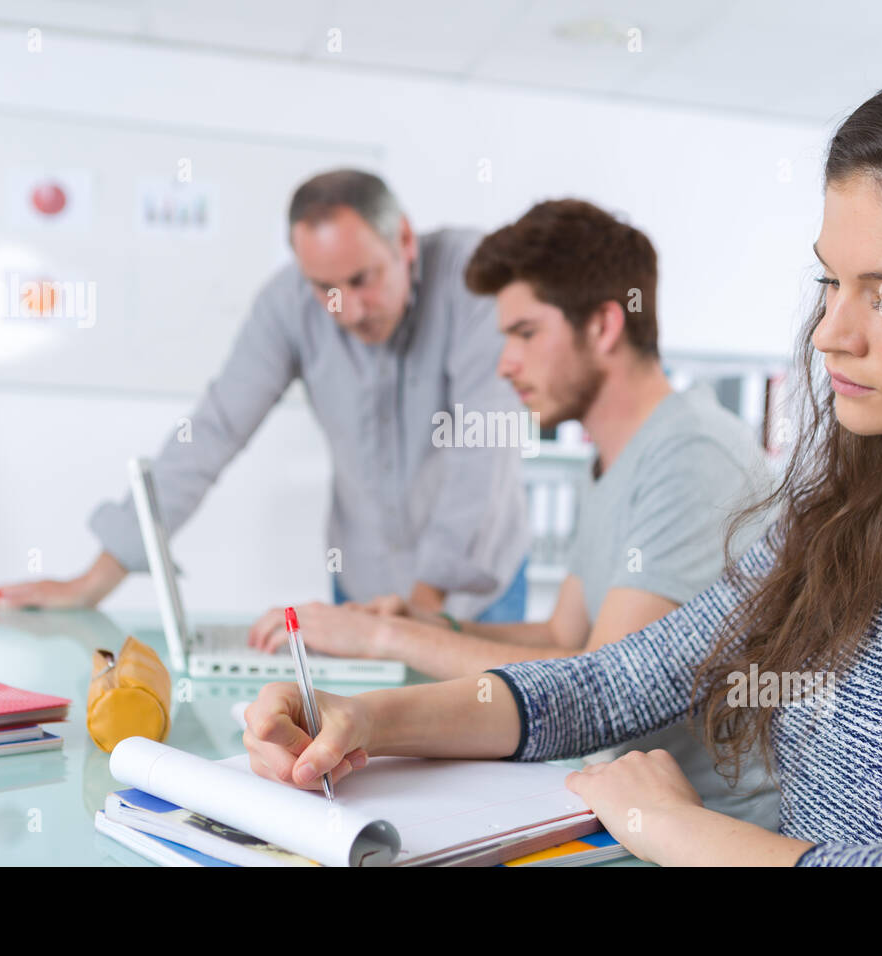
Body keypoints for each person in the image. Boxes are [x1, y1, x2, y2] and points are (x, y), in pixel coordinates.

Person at [240, 49, 882, 866]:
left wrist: (679, 829)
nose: (831, 333)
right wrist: (361, 720)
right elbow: (604, 684)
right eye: (830, 282)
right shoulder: (854, 513)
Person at [247, 199, 781, 828]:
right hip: (613, 797)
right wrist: (427, 619)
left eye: (525, 334)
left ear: (605, 326)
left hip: (702, 824)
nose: (504, 362)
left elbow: (596, 685)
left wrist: (381, 638)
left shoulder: (691, 454)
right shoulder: (617, 457)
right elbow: (562, 638)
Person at [0, 169, 530, 624]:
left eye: (362, 279)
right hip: (365, 581)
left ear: (405, 241)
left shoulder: (474, 283)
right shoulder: (287, 304)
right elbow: (214, 429)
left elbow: (484, 449)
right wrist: (94, 580)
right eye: (325, 288)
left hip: (476, 583)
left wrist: (424, 605)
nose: (348, 310)